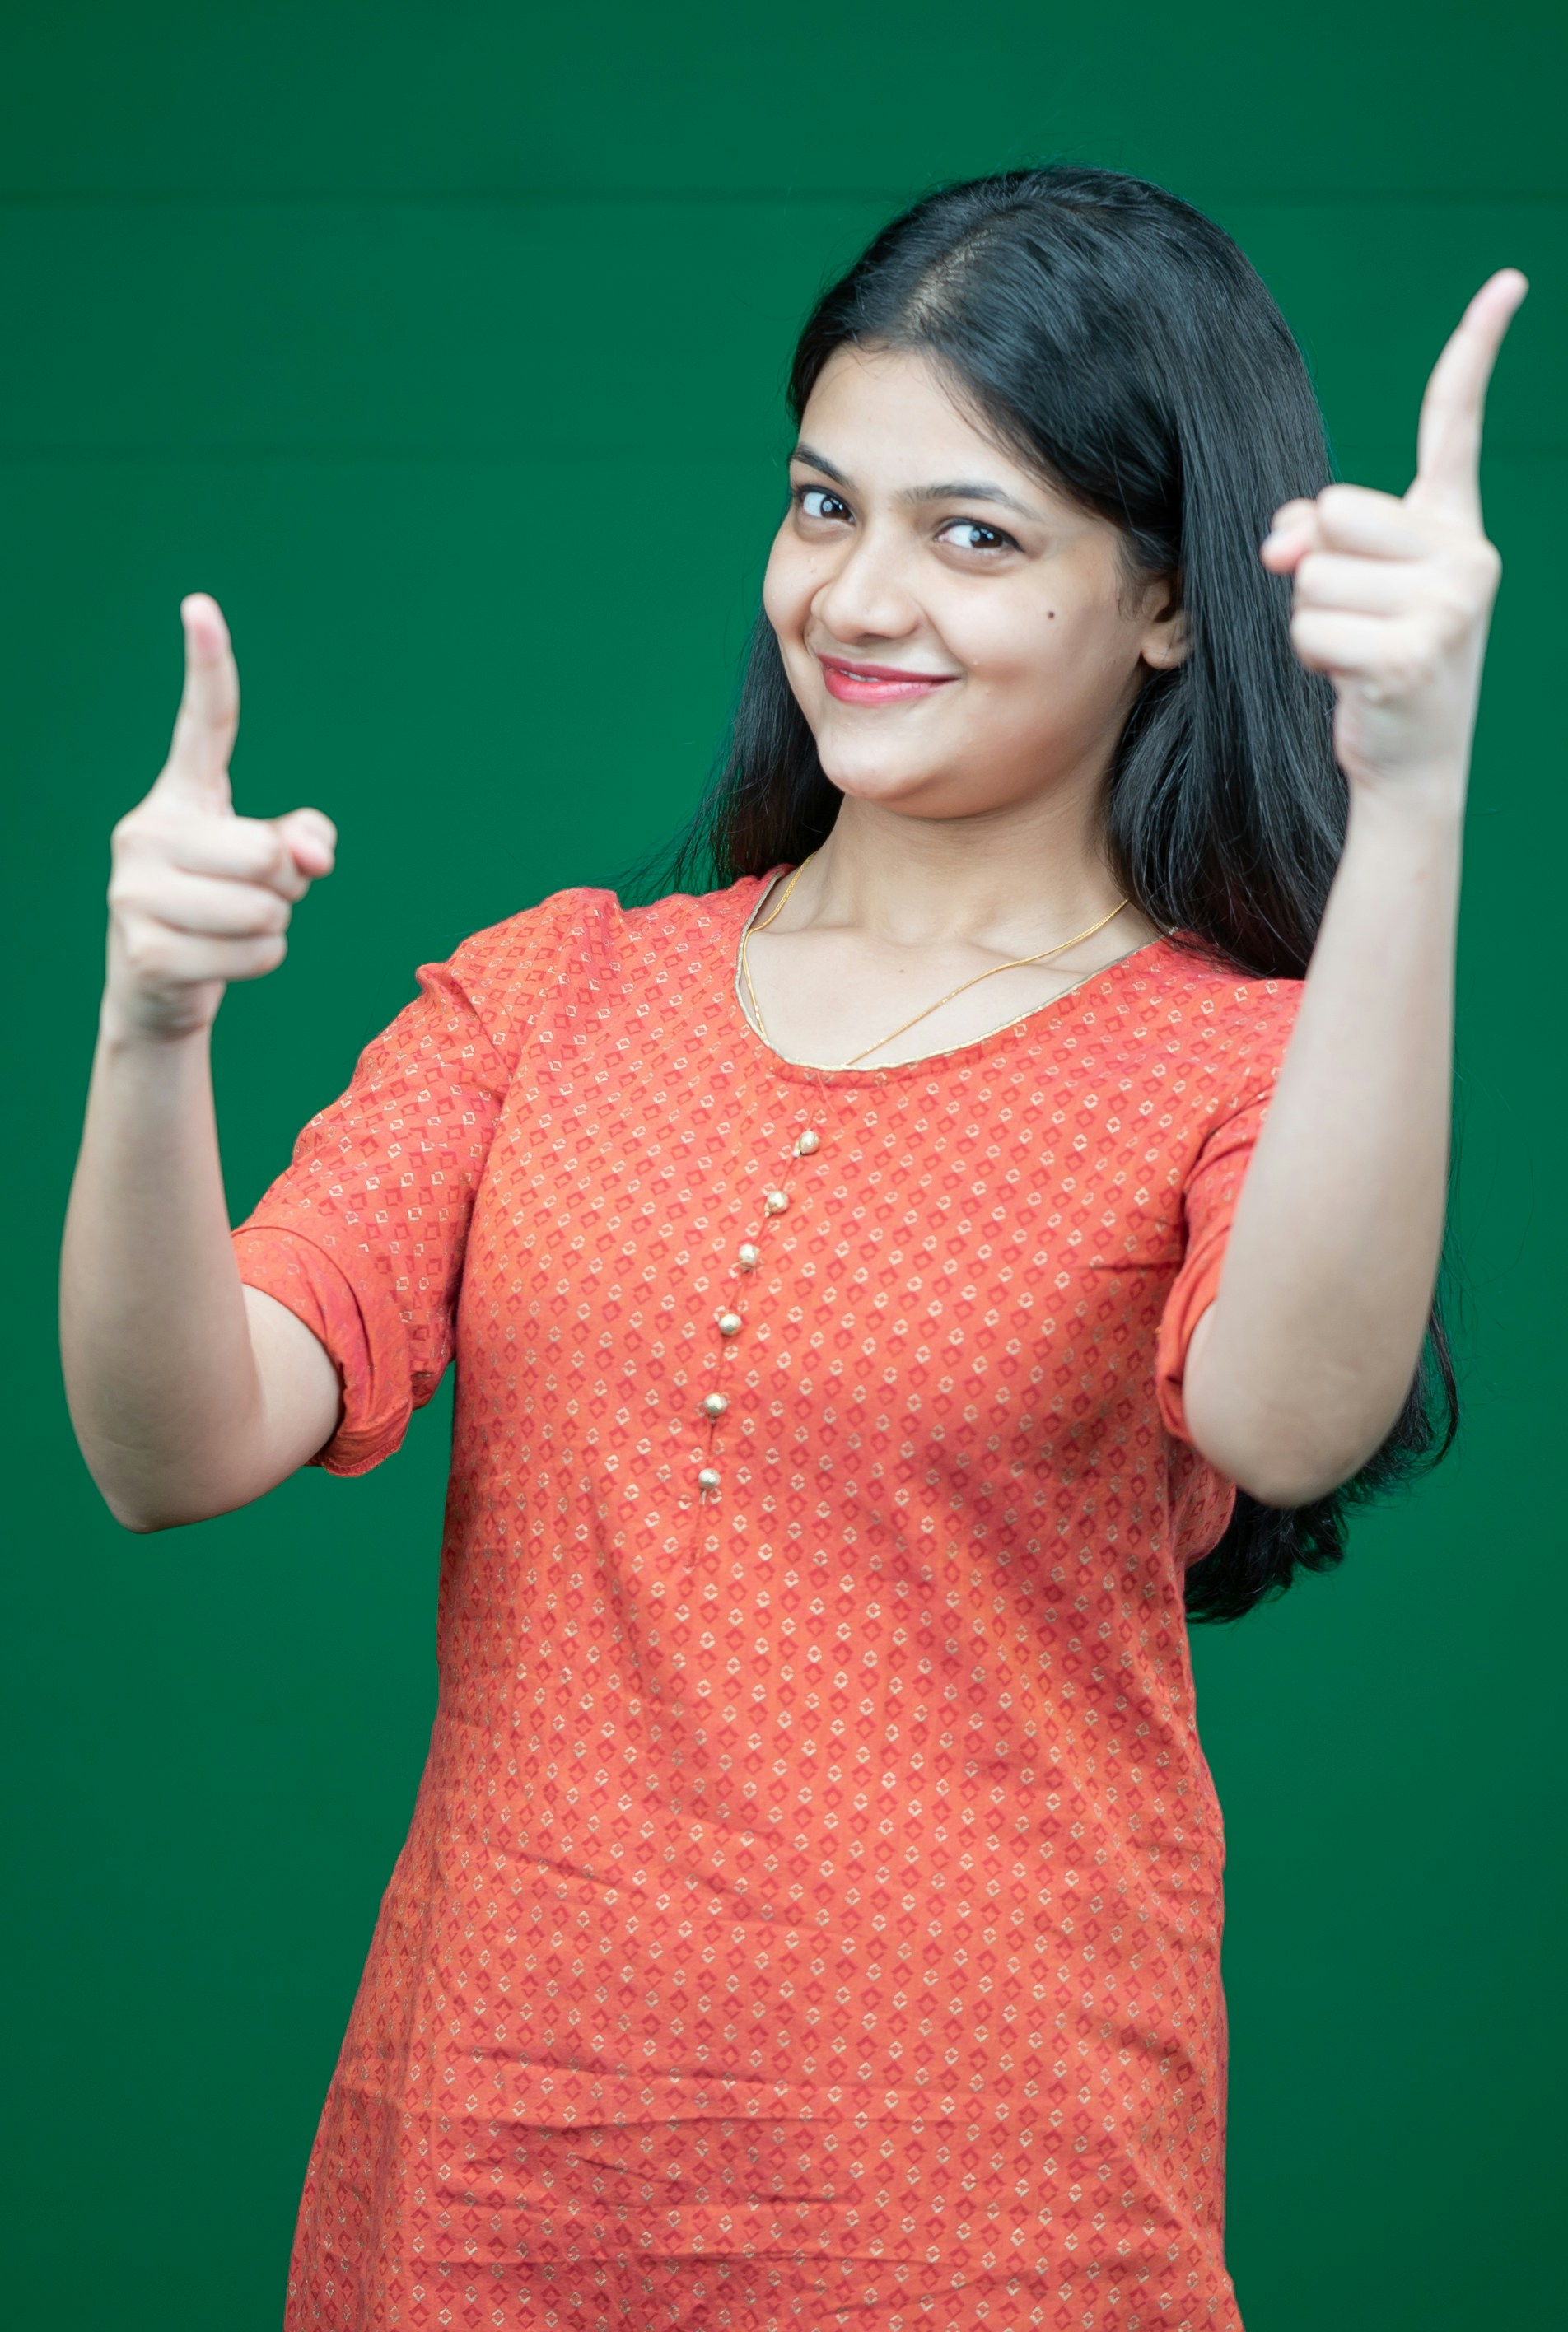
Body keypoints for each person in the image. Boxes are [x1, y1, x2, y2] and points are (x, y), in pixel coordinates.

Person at [60, 166, 1523, 2331]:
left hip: (997, 2214)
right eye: (824, 503)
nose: (858, 594)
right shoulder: (551, 995)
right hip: (491, 2187)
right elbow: (171, 1446)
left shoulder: (1244, 1070)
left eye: (976, 533)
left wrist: (1412, 797)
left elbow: (1293, 1417)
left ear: (1172, 604)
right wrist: (151, 1032)